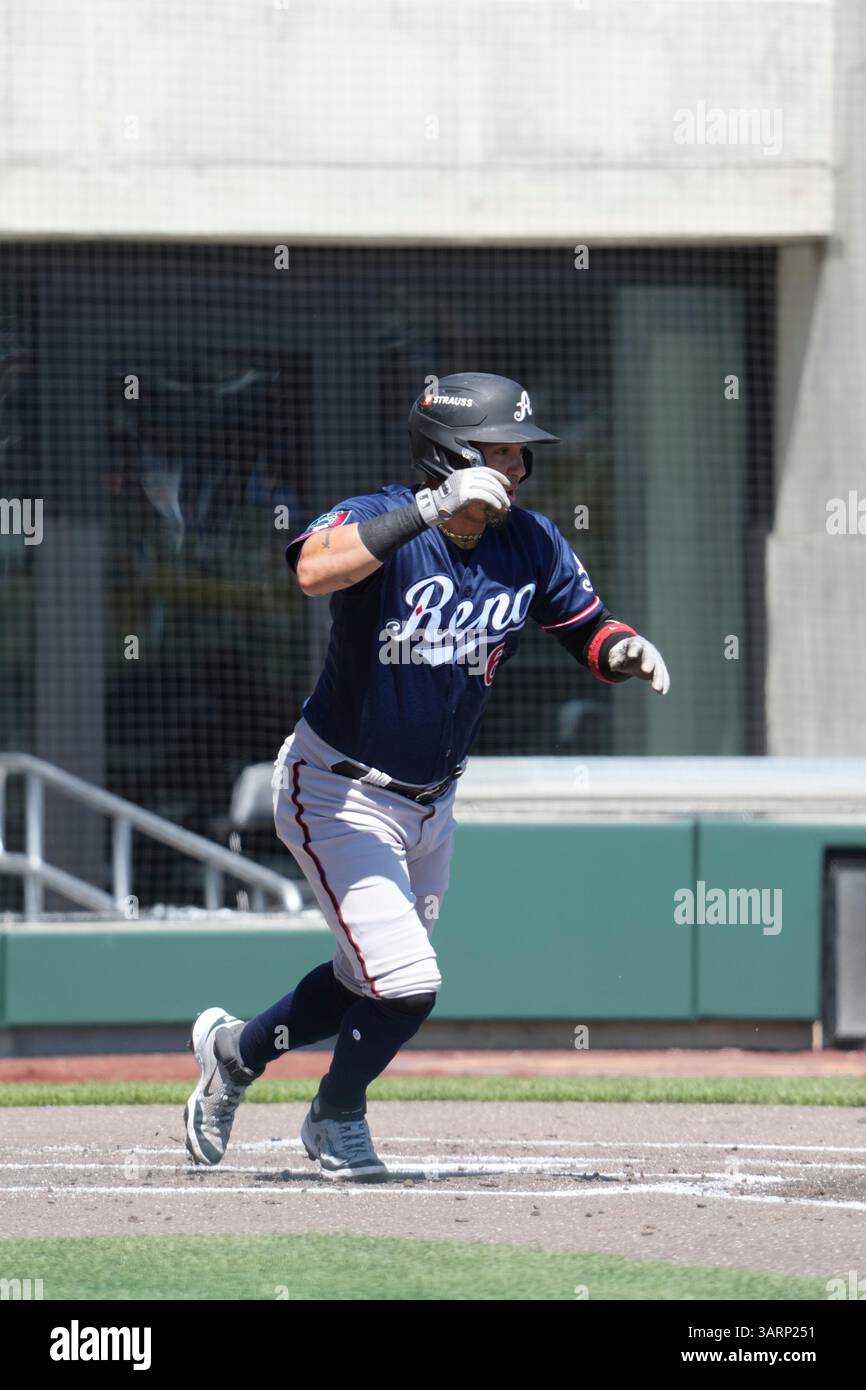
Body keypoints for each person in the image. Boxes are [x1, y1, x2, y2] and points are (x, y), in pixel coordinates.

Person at [183, 372, 670, 1181]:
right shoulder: (382, 516)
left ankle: (233, 1053)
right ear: (451, 454)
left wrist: (621, 650)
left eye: (521, 452)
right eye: (503, 451)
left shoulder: (532, 540)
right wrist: (432, 510)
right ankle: (336, 1118)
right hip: (335, 789)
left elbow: (584, 624)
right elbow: (311, 569)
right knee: (407, 981)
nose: (519, 466)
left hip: (432, 805)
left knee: (367, 980)